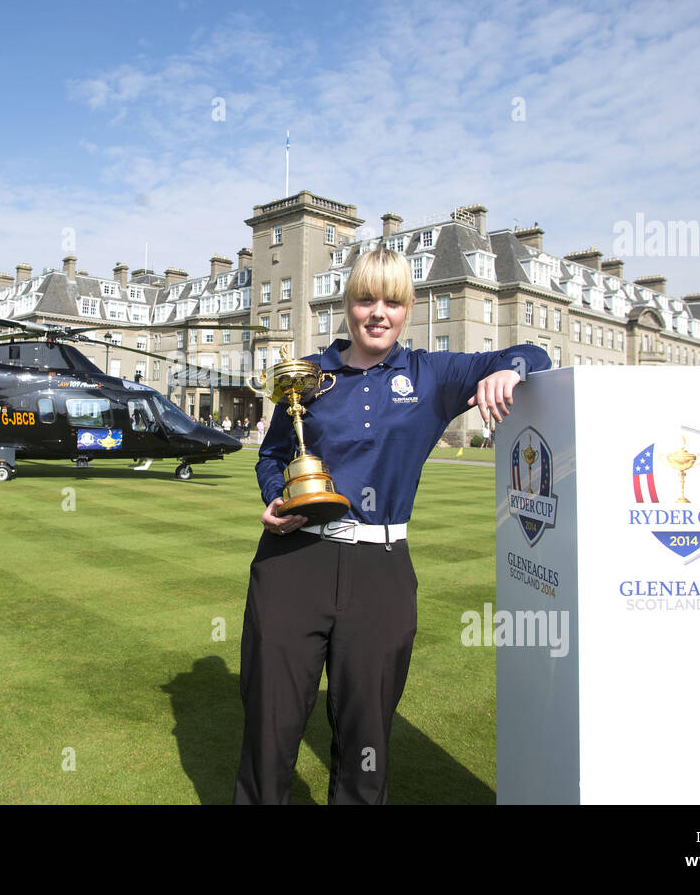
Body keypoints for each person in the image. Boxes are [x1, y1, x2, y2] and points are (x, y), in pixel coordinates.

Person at [234, 247, 550, 805]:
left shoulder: (432, 374)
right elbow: (273, 455)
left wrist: (509, 370)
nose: (377, 313)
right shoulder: (307, 377)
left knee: (366, 738)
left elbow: (533, 352)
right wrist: (274, 499)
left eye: (392, 301)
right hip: (292, 563)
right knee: (269, 727)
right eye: (364, 299)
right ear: (347, 305)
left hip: (380, 570)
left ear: (405, 309)